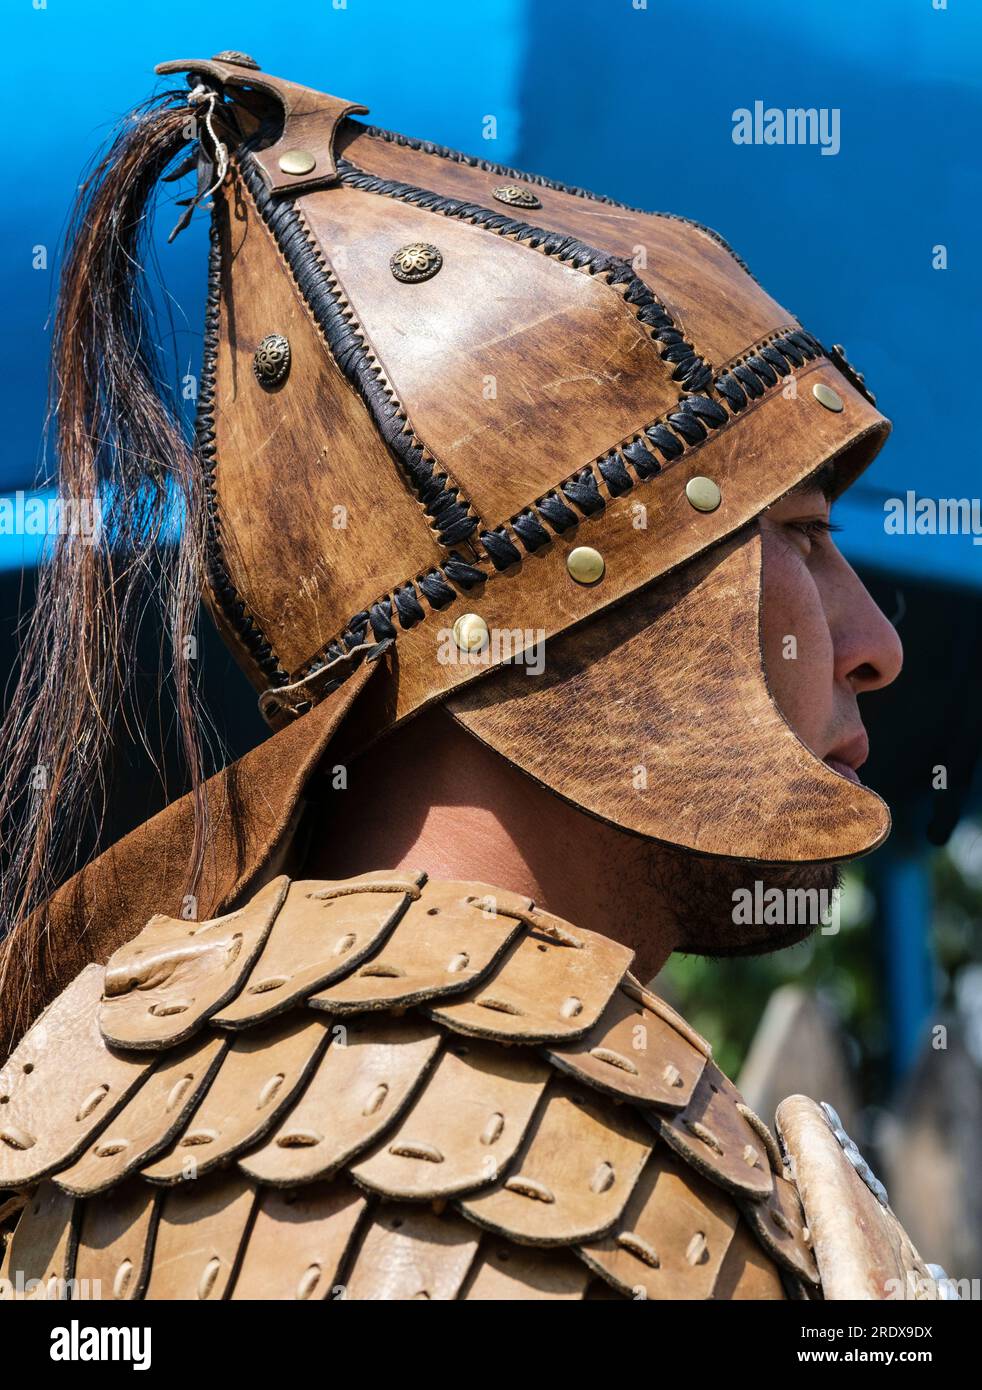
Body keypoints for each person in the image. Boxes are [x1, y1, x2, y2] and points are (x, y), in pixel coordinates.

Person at [0, 52, 948, 1302]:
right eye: (805, 535)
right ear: (601, 589)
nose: (874, 643)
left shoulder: (76, 1086)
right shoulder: (540, 1153)